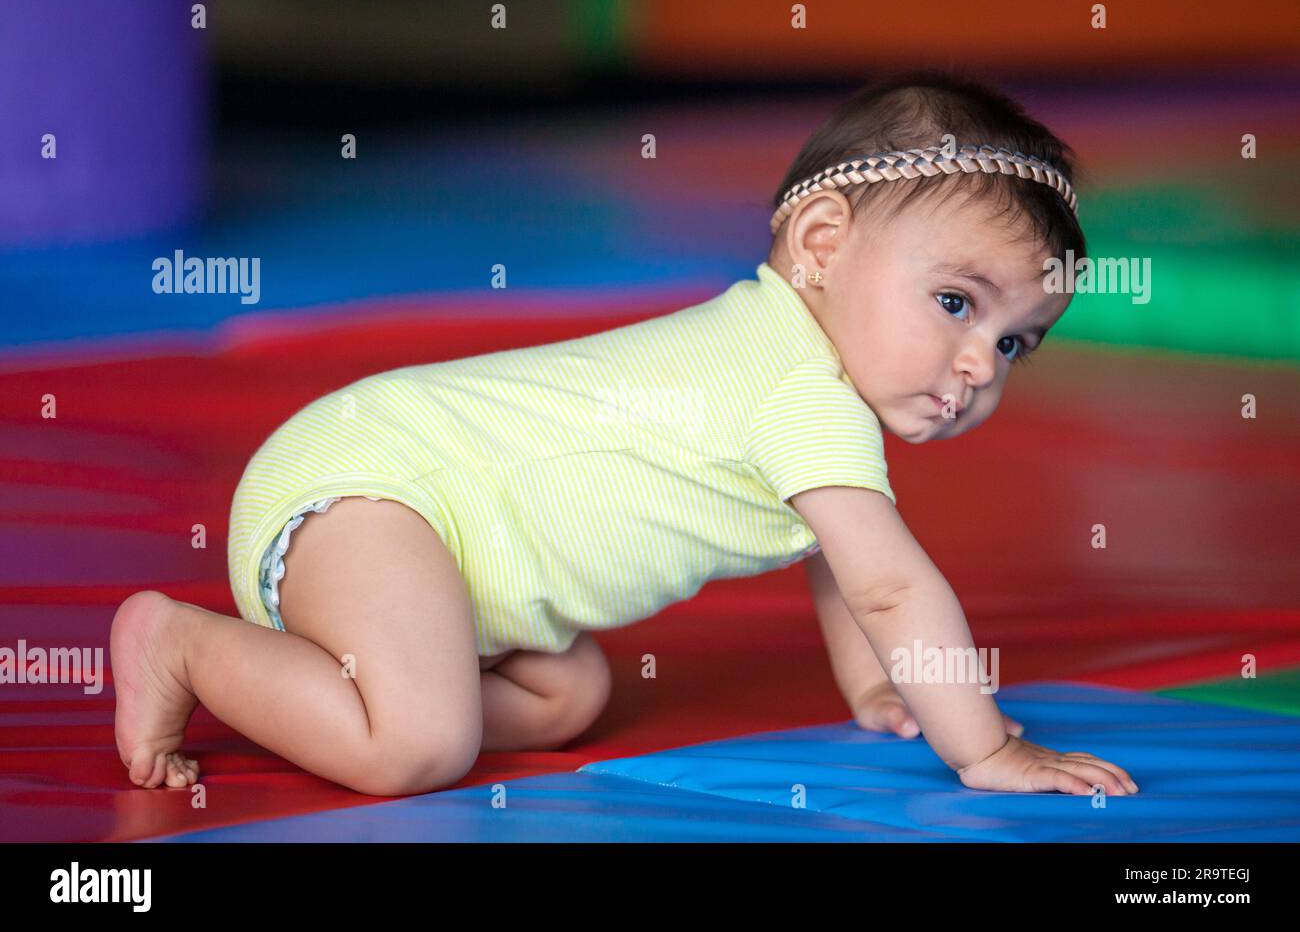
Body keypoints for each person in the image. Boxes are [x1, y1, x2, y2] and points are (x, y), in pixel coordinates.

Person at [111, 68, 1138, 799]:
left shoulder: (802, 380)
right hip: (374, 487)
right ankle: (187, 643)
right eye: (958, 304)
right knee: (414, 747)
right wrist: (985, 747)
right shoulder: (795, 383)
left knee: (567, 692)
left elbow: (840, 556)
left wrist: (875, 680)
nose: (978, 363)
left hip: (425, 528)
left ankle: (359, 675)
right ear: (821, 243)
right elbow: (888, 582)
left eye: (1017, 344)